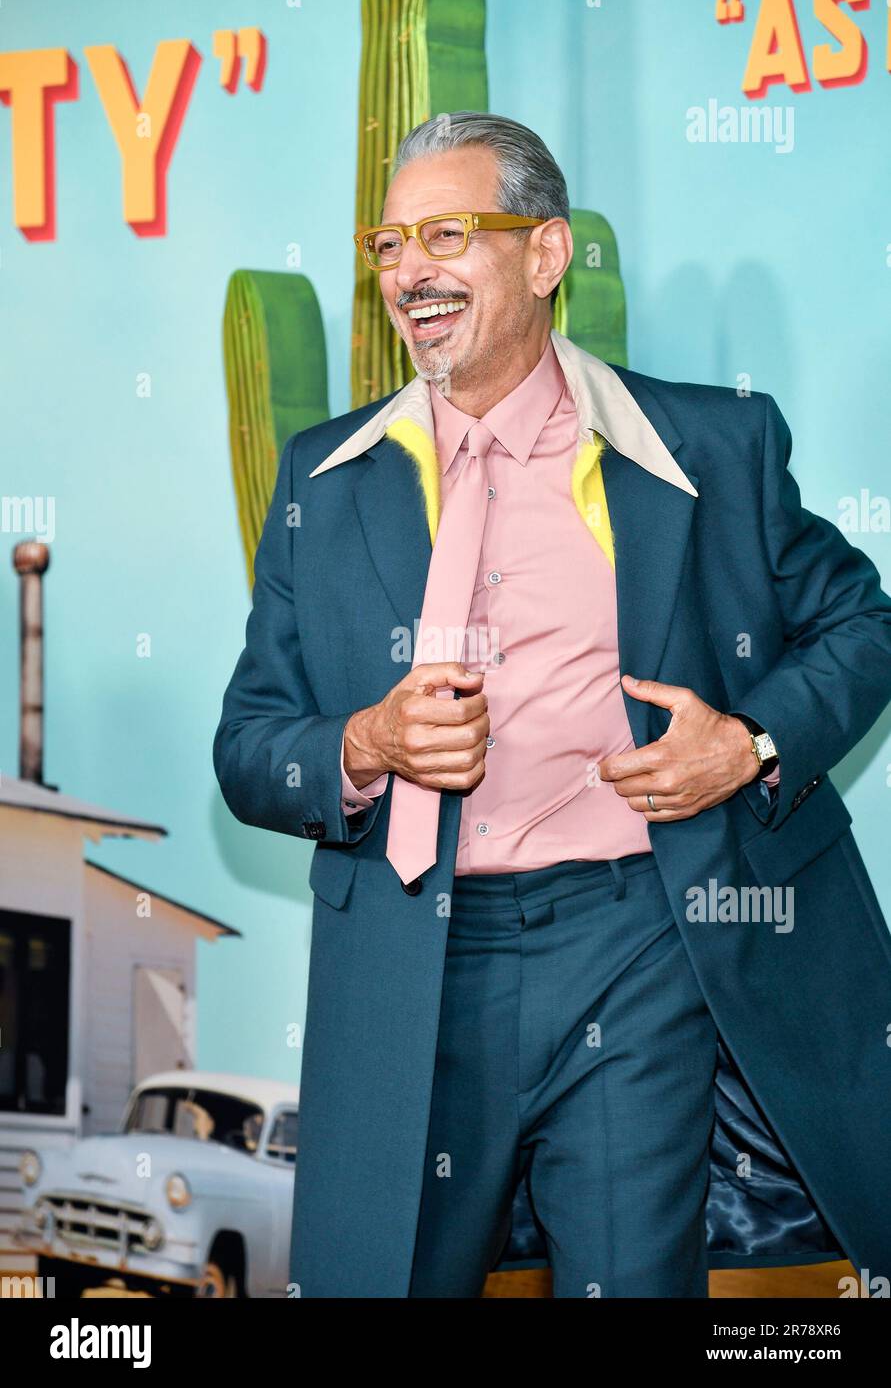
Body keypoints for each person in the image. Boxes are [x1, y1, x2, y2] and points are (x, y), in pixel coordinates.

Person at [214, 112, 891, 1298]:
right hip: (412, 954)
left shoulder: (708, 445)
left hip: (637, 947)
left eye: (447, 234)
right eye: (387, 245)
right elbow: (249, 743)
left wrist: (748, 744)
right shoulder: (319, 480)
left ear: (545, 255)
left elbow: (863, 624)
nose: (408, 271)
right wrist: (365, 744)